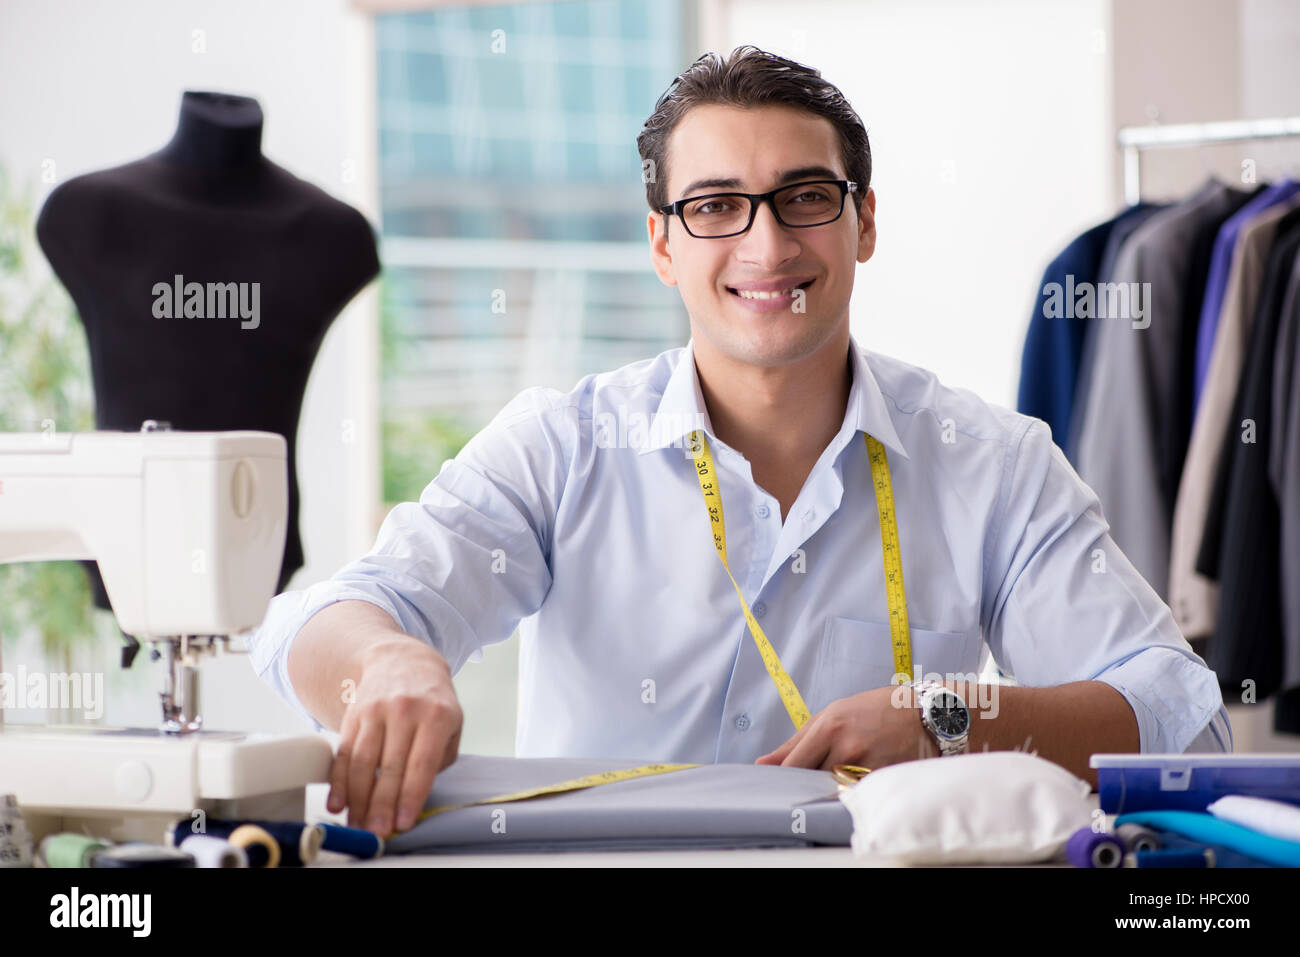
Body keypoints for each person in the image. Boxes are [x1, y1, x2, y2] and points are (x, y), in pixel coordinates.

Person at [247, 46, 1231, 839]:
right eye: (715, 206)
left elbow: (1187, 716)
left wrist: (954, 716)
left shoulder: (992, 465)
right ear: (663, 245)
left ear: (863, 223)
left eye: (805, 196)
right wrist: (388, 665)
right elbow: (315, 623)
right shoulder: (561, 450)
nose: (766, 248)